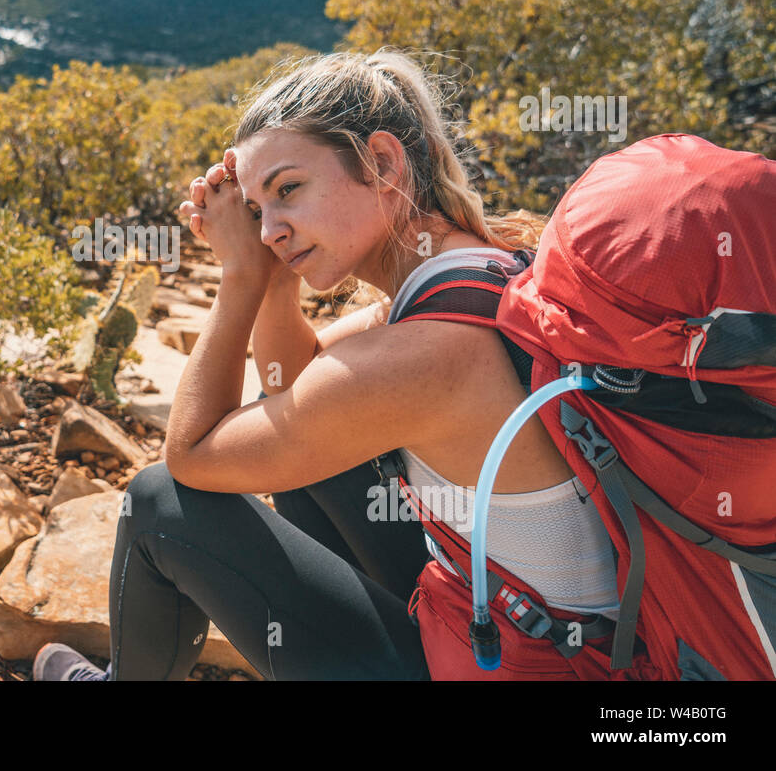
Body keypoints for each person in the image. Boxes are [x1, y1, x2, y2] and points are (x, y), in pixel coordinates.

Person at [33, 49, 620, 681]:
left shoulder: (420, 358)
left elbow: (192, 456)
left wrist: (240, 280)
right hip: (545, 633)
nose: (269, 232)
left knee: (158, 504)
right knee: (311, 459)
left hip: (530, 662)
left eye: (289, 190)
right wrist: (276, 282)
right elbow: (299, 379)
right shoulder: (482, 268)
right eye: (259, 211)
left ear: (383, 163)